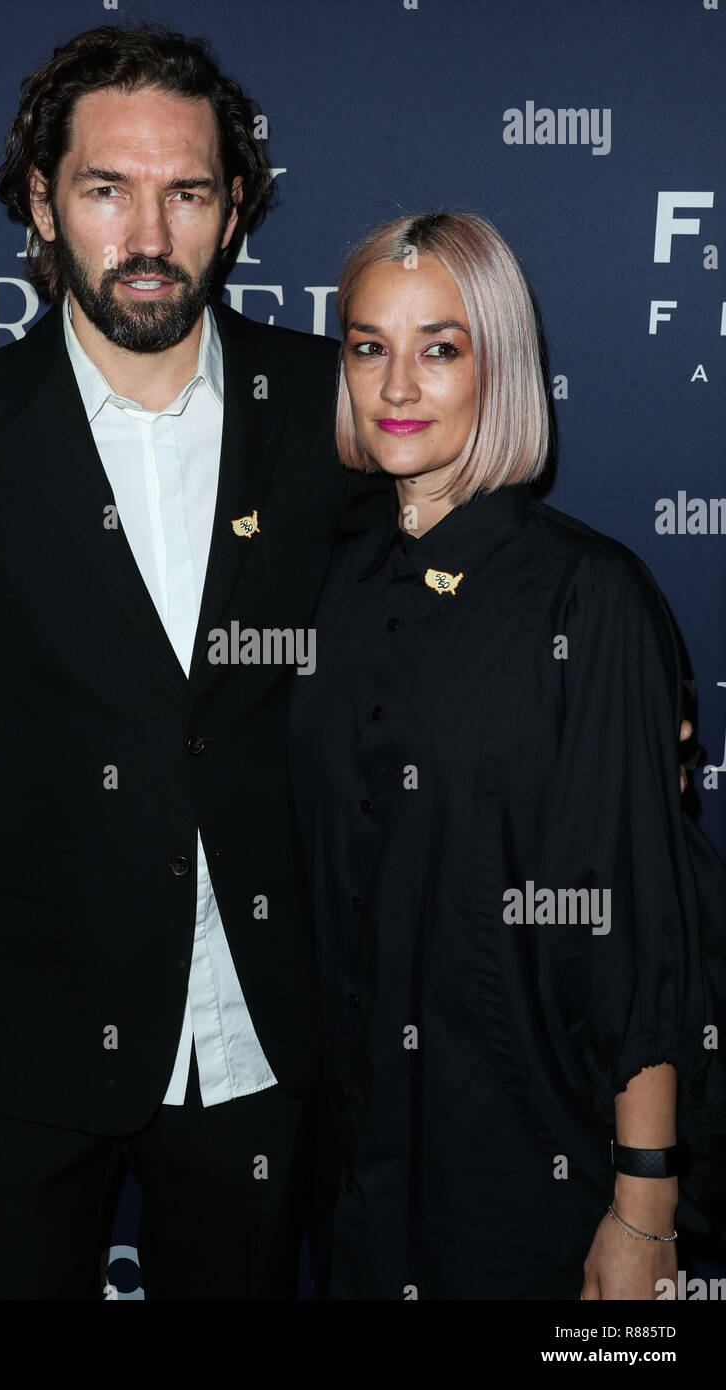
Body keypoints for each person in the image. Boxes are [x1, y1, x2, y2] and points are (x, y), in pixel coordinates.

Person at [0, 23, 382, 1300]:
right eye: (106, 189)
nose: (149, 233)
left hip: (262, 1030)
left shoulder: (329, 409)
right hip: (26, 1041)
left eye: (187, 191)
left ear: (233, 206)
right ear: (43, 200)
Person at [288, 211, 725, 1300]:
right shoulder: (322, 579)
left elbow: (639, 928)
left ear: (504, 367)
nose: (396, 384)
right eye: (366, 345)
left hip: (533, 1171)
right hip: (345, 1173)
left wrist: (643, 1206)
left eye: (440, 349)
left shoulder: (592, 598)